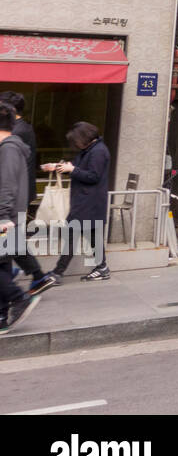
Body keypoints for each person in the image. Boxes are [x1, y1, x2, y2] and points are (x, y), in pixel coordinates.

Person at [39, 122, 111, 282]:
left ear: (84, 138)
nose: (76, 144)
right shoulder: (90, 150)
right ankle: (102, 268)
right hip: (88, 201)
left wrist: (71, 170)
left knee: (72, 236)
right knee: (92, 237)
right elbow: (79, 169)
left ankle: (58, 272)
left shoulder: (98, 152)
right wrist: (58, 167)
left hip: (88, 202)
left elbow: (93, 176)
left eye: (76, 141)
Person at [0, 92, 49, 293]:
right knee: (10, 240)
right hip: (16, 194)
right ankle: (34, 277)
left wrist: (3, 212)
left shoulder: (14, 135)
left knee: (8, 240)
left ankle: (15, 288)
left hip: (13, 196)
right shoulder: (22, 128)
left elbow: (8, 177)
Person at [0, 103, 40, 333]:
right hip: (9, 218)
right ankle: (2, 315)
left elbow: (6, 187)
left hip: (5, 218)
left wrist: (3, 216)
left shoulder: (9, 149)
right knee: (3, 265)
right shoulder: (11, 148)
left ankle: (18, 298)